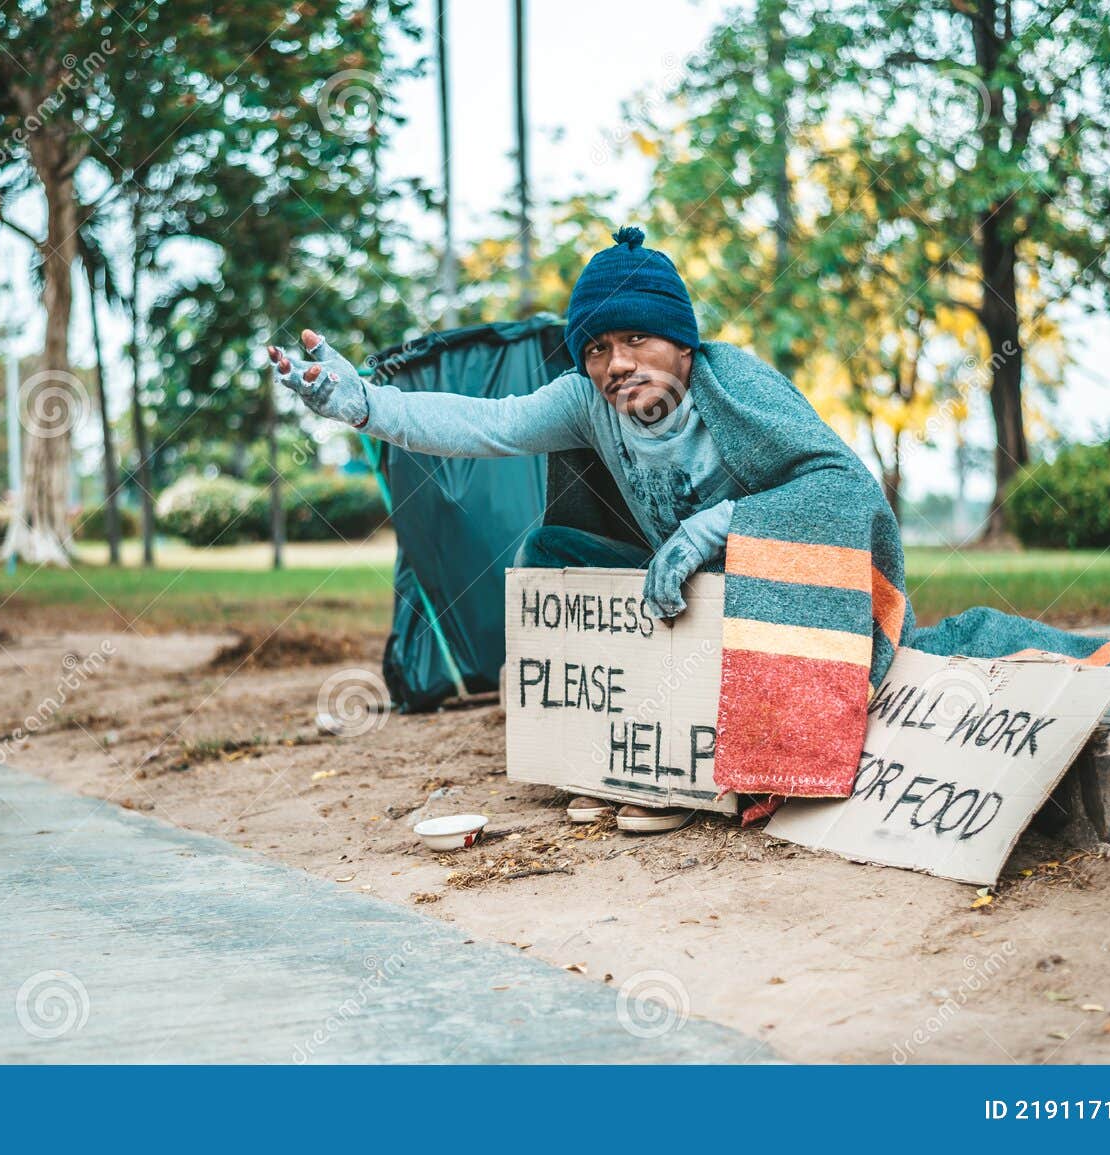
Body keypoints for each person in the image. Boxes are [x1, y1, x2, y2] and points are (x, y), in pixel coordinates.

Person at [266, 225, 810, 831]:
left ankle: (680, 776)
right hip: (675, 593)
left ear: (683, 343)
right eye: (598, 347)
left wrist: (715, 528)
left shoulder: (734, 385)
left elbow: (837, 485)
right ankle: (618, 755)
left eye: (637, 338)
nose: (618, 364)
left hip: (764, 593)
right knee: (550, 549)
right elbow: (490, 423)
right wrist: (365, 403)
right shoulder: (588, 401)